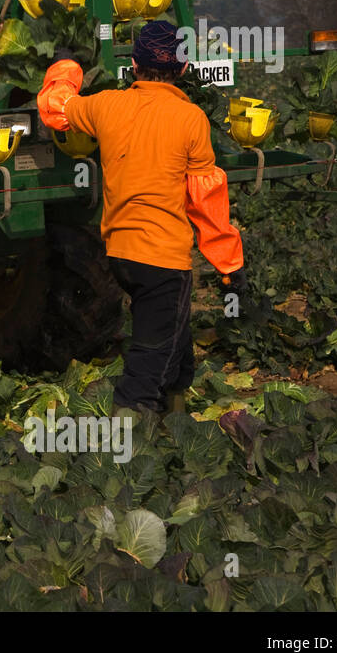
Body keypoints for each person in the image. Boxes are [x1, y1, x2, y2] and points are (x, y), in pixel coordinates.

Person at [36, 21, 247, 416]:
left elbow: (57, 108)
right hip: (163, 260)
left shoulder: (105, 105)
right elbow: (206, 202)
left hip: (119, 255)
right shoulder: (191, 120)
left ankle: (176, 416)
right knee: (147, 362)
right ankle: (127, 447)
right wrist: (230, 266)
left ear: (133, 65)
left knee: (174, 338)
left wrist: (66, 65)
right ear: (184, 69)